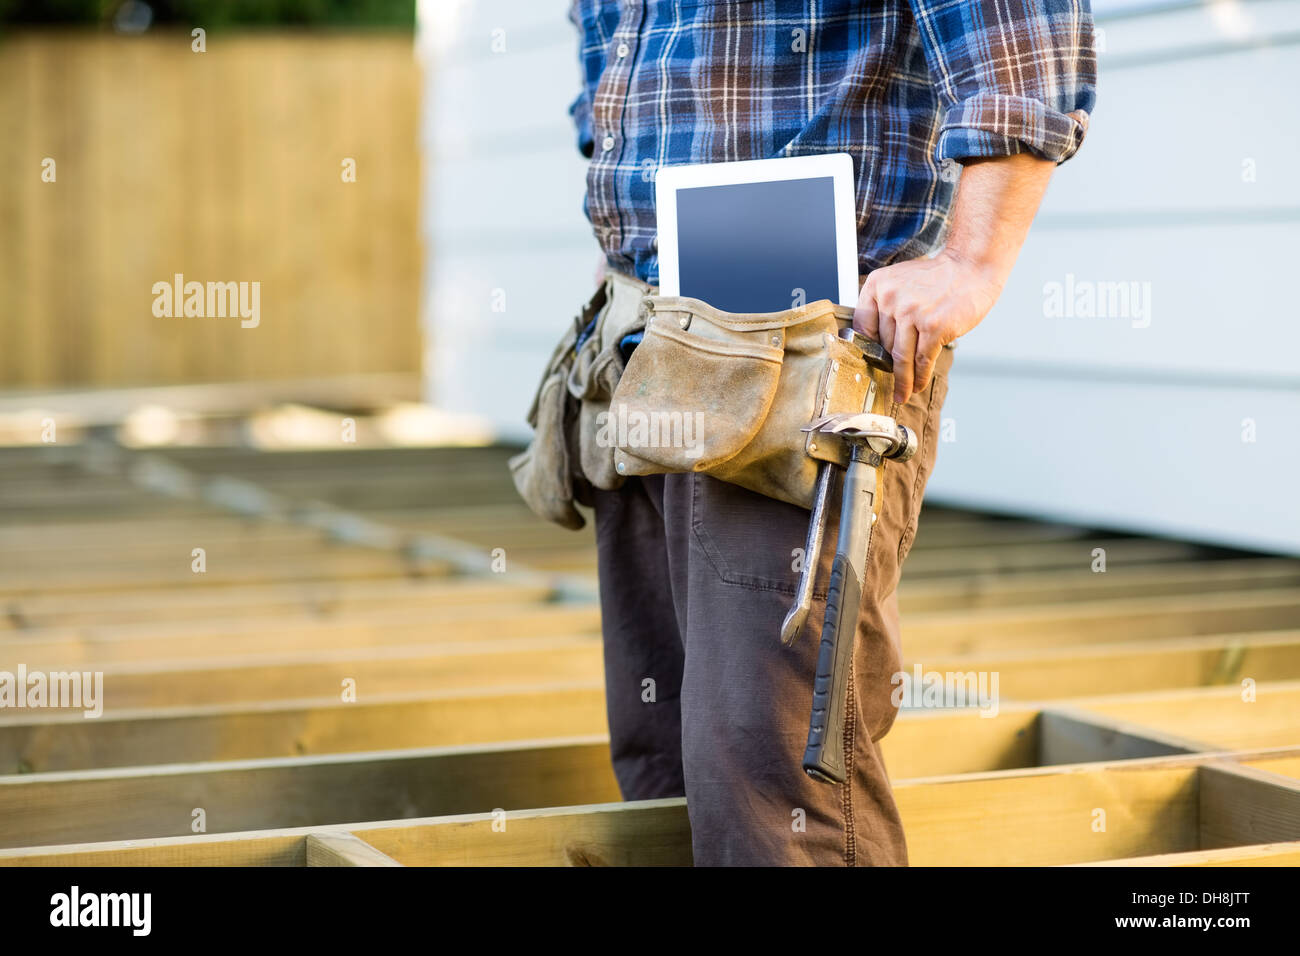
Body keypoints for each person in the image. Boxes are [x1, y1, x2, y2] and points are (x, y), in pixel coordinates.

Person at [563, 0, 1096, 865]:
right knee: (662, 747)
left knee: (774, 786)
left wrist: (972, 262)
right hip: (646, 342)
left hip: (798, 353)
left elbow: (1018, 41)